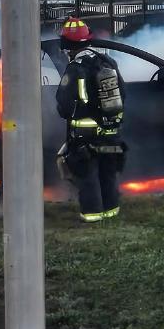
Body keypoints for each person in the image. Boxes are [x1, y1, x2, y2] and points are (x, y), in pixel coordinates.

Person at [56, 19, 126, 222]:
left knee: (87, 177)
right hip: (111, 132)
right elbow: (123, 93)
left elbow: (64, 104)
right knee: (108, 174)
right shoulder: (107, 62)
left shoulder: (74, 69)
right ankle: (111, 213)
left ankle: (93, 217)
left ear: (68, 45)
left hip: (85, 135)